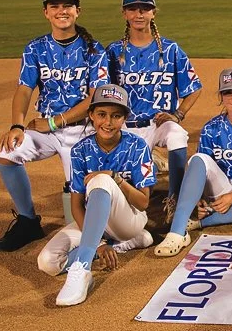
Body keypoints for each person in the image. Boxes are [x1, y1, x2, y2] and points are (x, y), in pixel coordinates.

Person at [0, 0, 110, 252]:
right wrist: (16, 126)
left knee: (78, 211)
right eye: (54, 5)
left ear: (77, 10)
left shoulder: (94, 50)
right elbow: (24, 89)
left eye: (67, 5)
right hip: (45, 130)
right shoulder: (35, 48)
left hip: (82, 131)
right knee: (7, 153)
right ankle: (28, 220)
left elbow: (96, 98)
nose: (61, 10)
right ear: (46, 12)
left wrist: (56, 121)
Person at [37, 84, 156, 307]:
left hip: (129, 219)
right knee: (47, 262)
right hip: (94, 222)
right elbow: (76, 207)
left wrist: (115, 178)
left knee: (101, 180)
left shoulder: (137, 146)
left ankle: (82, 268)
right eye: (101, 114)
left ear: (124, 119)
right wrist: (100, 244)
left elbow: (143, 202)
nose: (108, 122)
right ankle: (121, 244)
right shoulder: (80, 150)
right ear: (91, 115)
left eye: (116, 116)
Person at [154, 67, 232, 256]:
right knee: (198, 158)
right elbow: (200, 169)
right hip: (220, 188)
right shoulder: (211, 128)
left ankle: (200, 222)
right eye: (228, 92)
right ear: (221, 96)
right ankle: (177, 231)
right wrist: (201, 200)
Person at [106, 0, 203, 220]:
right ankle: (151, 163)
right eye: (133, 9)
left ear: (153, 13)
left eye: (145, 9)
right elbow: (102, 93)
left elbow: (194, 88)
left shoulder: (170, 50)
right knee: (127, 187)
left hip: (158, 124)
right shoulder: (113, 52)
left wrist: (178, 115)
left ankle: (175, 198)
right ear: (124, 14)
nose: (139, 14)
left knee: (177, 134)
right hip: (126, 127)